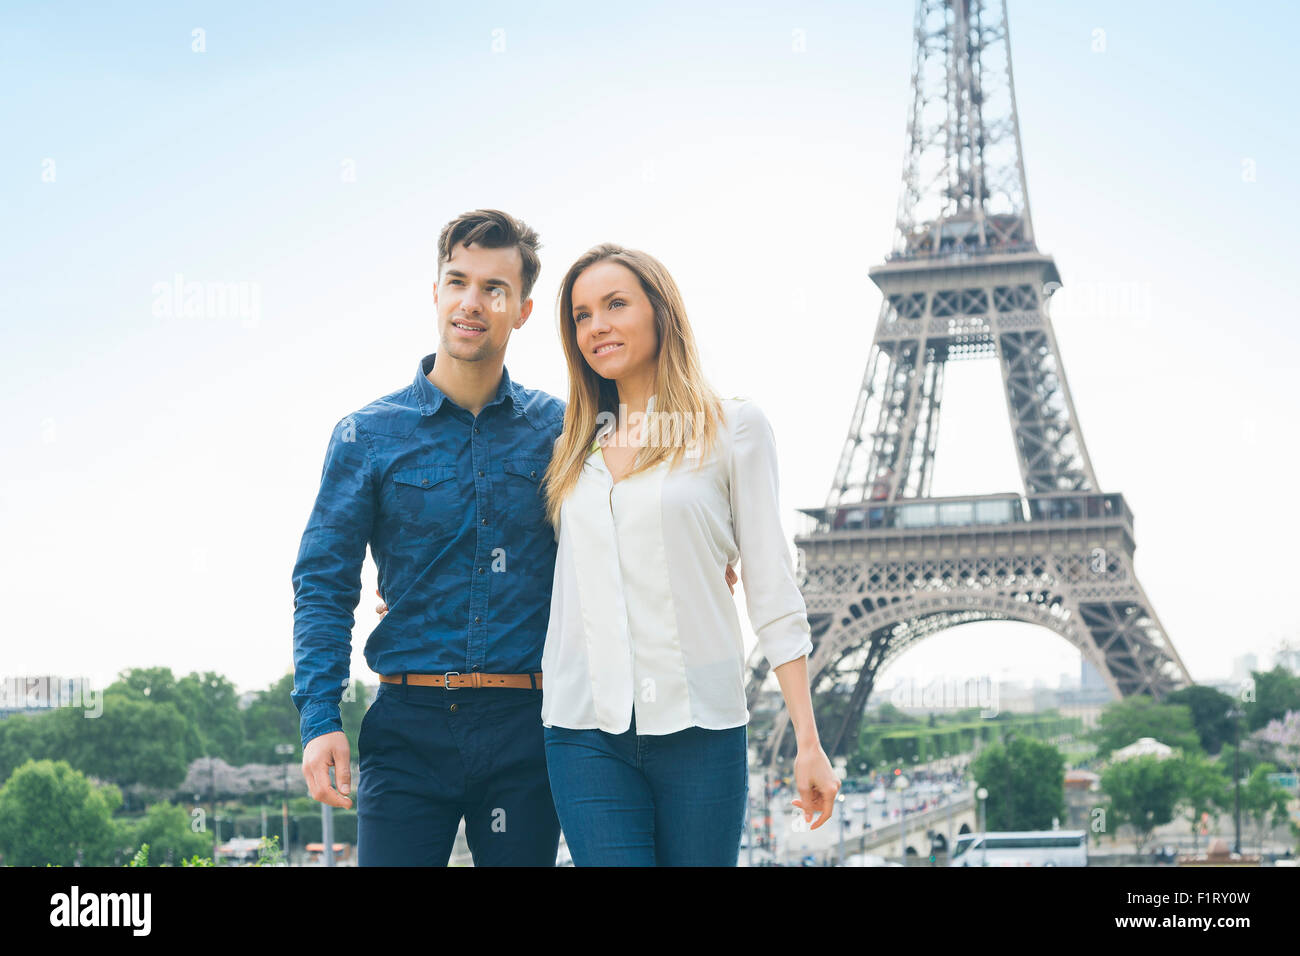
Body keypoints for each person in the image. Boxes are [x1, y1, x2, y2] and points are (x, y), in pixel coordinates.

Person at [292, 209, 737, 866]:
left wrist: (705, 555)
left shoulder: (568, 432)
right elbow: (323, 583)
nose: (472, 302)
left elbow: (627, 524)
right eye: (458, 282)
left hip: (527, 732)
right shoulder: (367, 436)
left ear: (523, 310)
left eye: (494, 289)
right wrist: (320, 719)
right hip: (408, 729)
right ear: (436, 293)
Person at [538, 242, 839, 866]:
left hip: (702, 727)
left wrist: (807, 741)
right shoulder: (569, 447)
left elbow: (770, 585)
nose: (596, 326)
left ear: (661, 310)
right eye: (582, 315)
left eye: (615, 304)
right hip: (584, 729)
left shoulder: (733, 428)